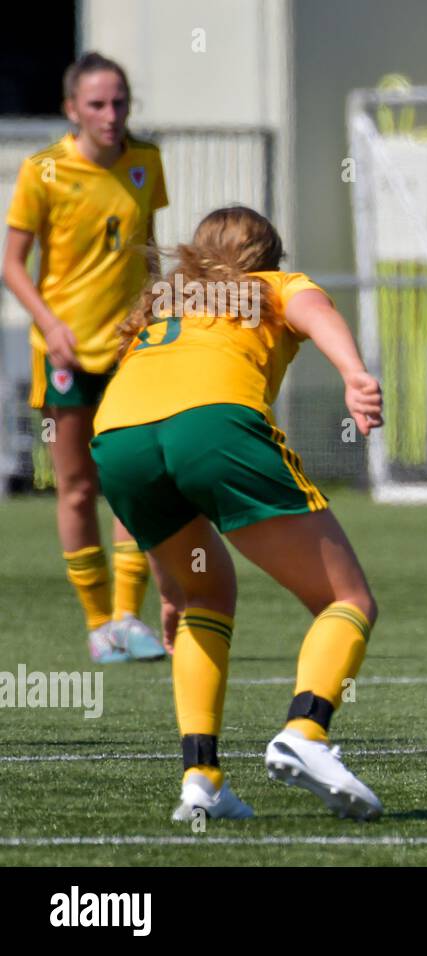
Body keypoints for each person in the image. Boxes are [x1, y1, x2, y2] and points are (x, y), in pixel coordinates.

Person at [90, 205, 385, 821]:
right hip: (213, 424)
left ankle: (201, 782)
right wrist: (355, 374)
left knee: (204, 597)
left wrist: (169, 583)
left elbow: (149, 419)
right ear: (271, 258)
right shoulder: (269, 286)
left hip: (117, 437)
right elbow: (316, 310)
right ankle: (305, 733)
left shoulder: (164, 306)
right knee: (348, 599)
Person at [2, 52, 170, 663]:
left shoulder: (145, 163)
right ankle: (99, 623)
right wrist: (49, 323)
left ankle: (129, 616)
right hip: (65, 352)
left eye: (120, 101)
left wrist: (156, 309)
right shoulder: (43, 171)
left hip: (131, 349)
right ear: (73, 108)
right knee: (76, 488)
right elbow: (12, 265)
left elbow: (146, 248)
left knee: (135, 482)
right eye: (97, 104)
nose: (111, 114)